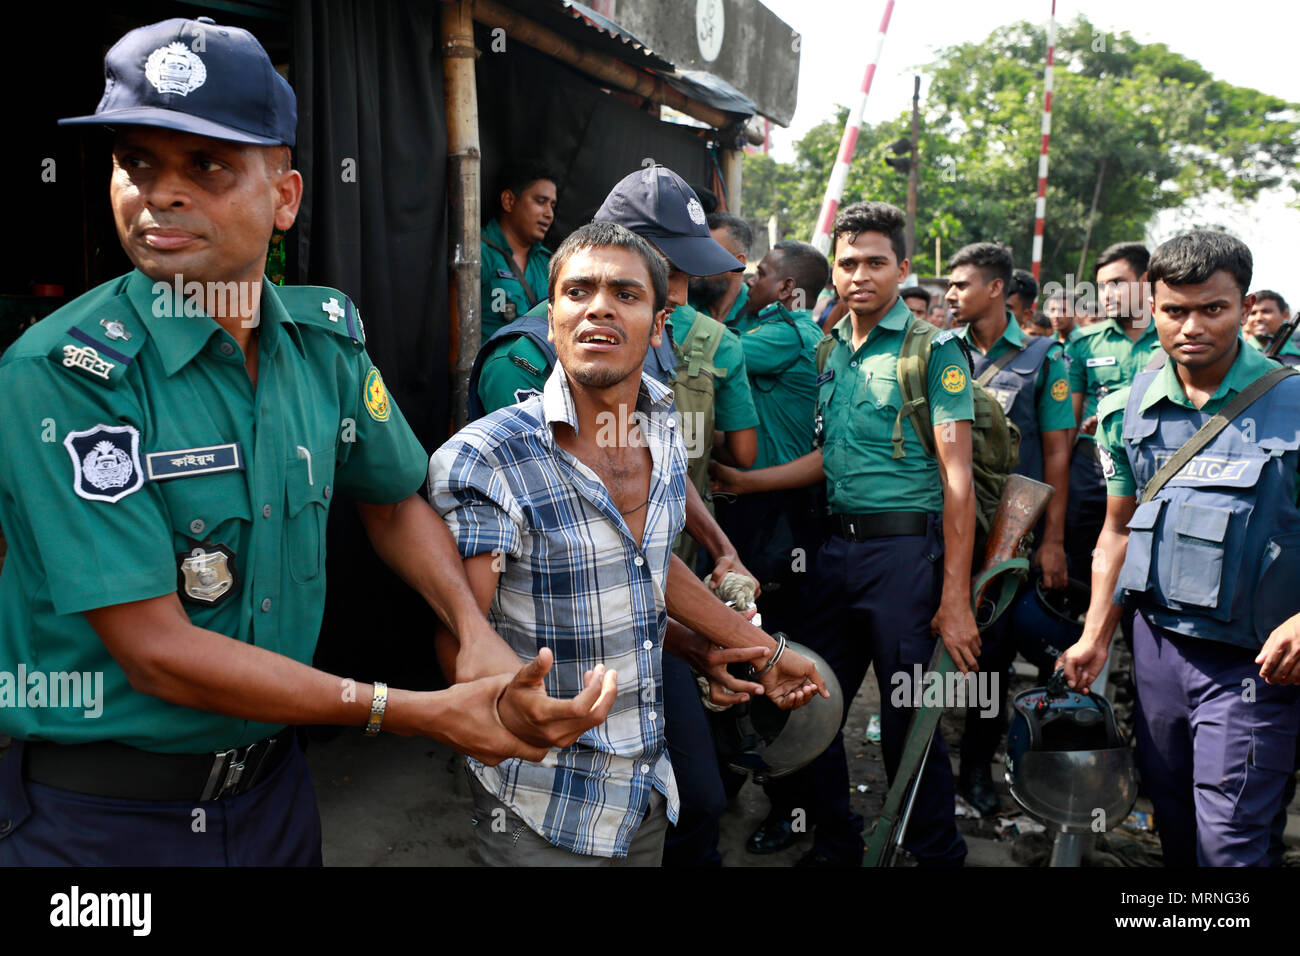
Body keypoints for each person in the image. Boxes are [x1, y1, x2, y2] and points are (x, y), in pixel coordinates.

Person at [0, 17, 602, 867]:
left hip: (275, 796)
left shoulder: (324, 342)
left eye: (206, 166)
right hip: (104, 823)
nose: (160, 194)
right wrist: (415, 711)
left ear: (284, 197)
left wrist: (469, 628)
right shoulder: (65, 373)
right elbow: (158, 653)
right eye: (137, 163)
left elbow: (393, 500)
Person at [428, 222, 827, 865]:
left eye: (625, 293)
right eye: (578, 291)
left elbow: (643, 563)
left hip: (643, 788)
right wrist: (509, 706)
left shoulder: (661, 427)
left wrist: (735, 648)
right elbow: (461, 632)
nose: (599, 307)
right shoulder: (487, 459)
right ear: (552, 317)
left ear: (660, 323)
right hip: (540, 802)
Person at [711, 201, 978, 866]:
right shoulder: (832, 348)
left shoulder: (935, 350)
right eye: (849, 262)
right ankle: (836, 844)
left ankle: (936, 853)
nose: (861, 274)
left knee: (907, 722)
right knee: (809, 703)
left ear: (903, 268)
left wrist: (954, 598)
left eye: (876, 263)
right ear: (834, 270)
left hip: (907, 556)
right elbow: (829, 458)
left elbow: (959, 481)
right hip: (835, 551)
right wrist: (749, 482)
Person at [1061, 231, 1300, 866]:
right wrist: (1094, 634)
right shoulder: (1128, 410)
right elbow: (1116, 530)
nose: (1191, 327)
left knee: (1232, 840)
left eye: (1212, 309)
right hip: (1157, 651)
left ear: (1243, 306)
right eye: (1175, 310)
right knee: (1174, 820)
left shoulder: (1295, 404)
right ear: (1154, 306)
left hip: (1253, 665)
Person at [944, 243, 1074, 815]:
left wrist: (1052, 540)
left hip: (1005, 543)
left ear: (996, 289)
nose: (950, 295)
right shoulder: (939, 350)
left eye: (961, 284)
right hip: (942, 531)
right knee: (931, 654)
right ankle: (924, 771)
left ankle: (976, 771)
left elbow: (1057, 457)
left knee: (989, 661)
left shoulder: (1046, 358)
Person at [714, 240, 829, 636]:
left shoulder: (785, 336)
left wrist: (721, 290)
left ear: (786, 289)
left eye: (761, 273)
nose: (750, 280)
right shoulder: (800, 331)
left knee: (756, 616)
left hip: (769, 506)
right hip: (782, 504)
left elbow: (713, 353)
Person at [1063, 242, 1161, 581]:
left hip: (1158, 471)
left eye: (1117, 283)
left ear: (1146, 280)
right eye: (1102, 286)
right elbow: (1067, 425)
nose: (1107, 294)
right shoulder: (1083, 343)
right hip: (1092, 471)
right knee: (1081, 562)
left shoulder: (1174, 338)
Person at [480, 161, 557, 339]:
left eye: (552, 205)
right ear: (509, 201)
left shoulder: (549, 262)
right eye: (540, 201)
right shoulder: (478, 254)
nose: (549, 214)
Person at [690, 212, 752, 329]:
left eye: (707, 255)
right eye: (695, 253)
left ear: (738, 263)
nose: (696, 263)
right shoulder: (681, 307)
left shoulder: (759, 313)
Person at [1245, 289, 1300, 366]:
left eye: (1266, 311)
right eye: (1253, 313)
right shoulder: (1236, 352)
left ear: (1285, 316)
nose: (1258, 318)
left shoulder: (1297, 350)